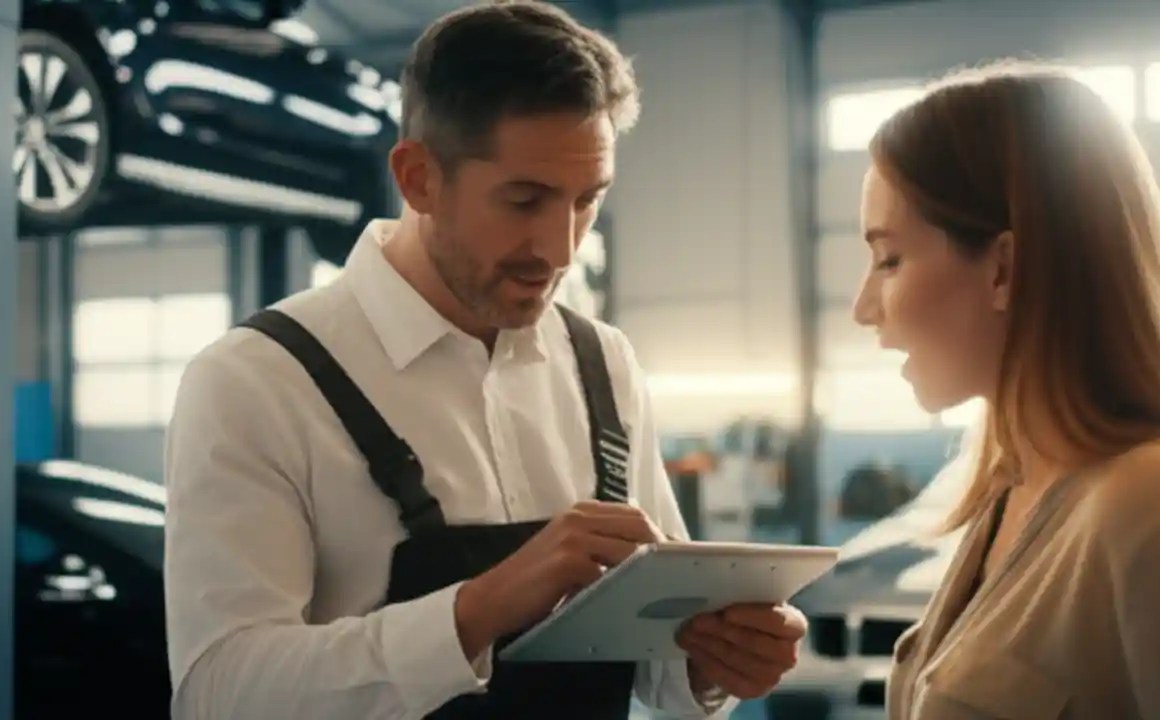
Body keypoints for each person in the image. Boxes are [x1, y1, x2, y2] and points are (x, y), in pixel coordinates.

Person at [164, 2, 805, 718]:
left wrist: (715, 664)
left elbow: (659, 662)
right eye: (525, 201)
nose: (561, 249)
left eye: (587, 201)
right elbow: (217, 694)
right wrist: (481, 608)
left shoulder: (605, 364)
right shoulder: (254, 382)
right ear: (418, 178)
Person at [851, 60, 1160, 720]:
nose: (863, 308)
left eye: (889, 260)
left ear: (1004, 269)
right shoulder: (1009, 492)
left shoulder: (1155, 505)